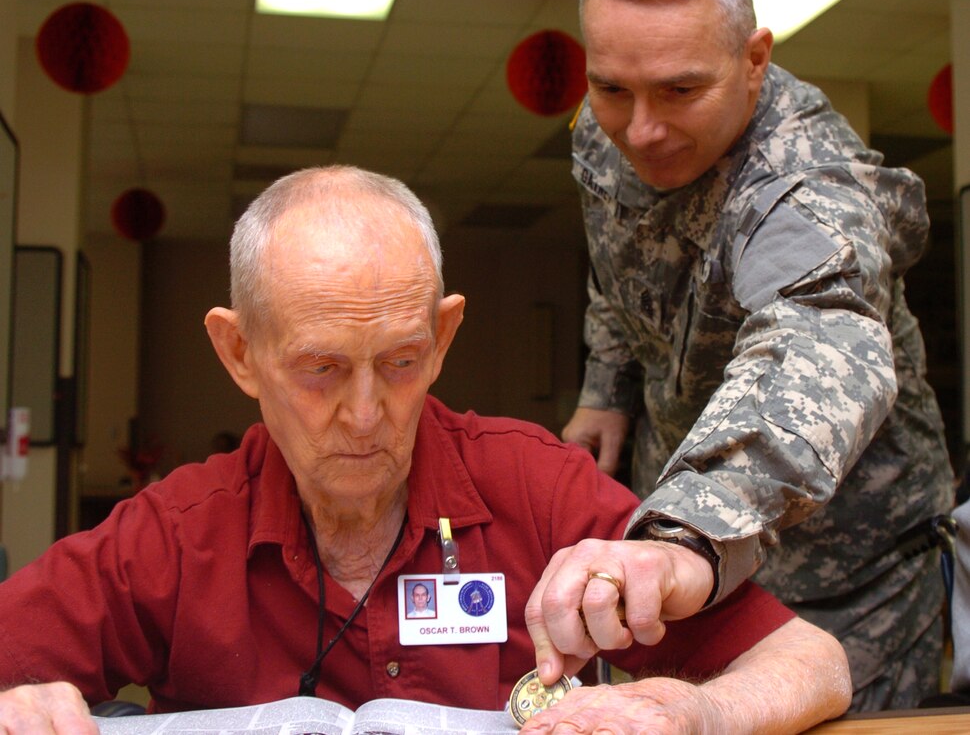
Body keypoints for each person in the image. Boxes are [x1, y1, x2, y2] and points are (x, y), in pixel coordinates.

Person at [0, 166, 850, 733]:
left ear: (443, 337)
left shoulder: (537, 487)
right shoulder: (175, 535)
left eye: (402, 362)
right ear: (239, 354)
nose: (366, 414)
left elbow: (814, 662)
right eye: (321, 370)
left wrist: (693, 714)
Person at [553, 0, 954, 712]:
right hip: (693, 562)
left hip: (850, 573)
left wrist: (683, 535)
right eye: (612, 90)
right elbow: (616, 266)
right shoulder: (604, 142)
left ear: (754, 59)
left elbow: (814, 345)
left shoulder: (807, 183)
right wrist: (607, 387)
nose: (641, 130)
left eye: (680, 90)